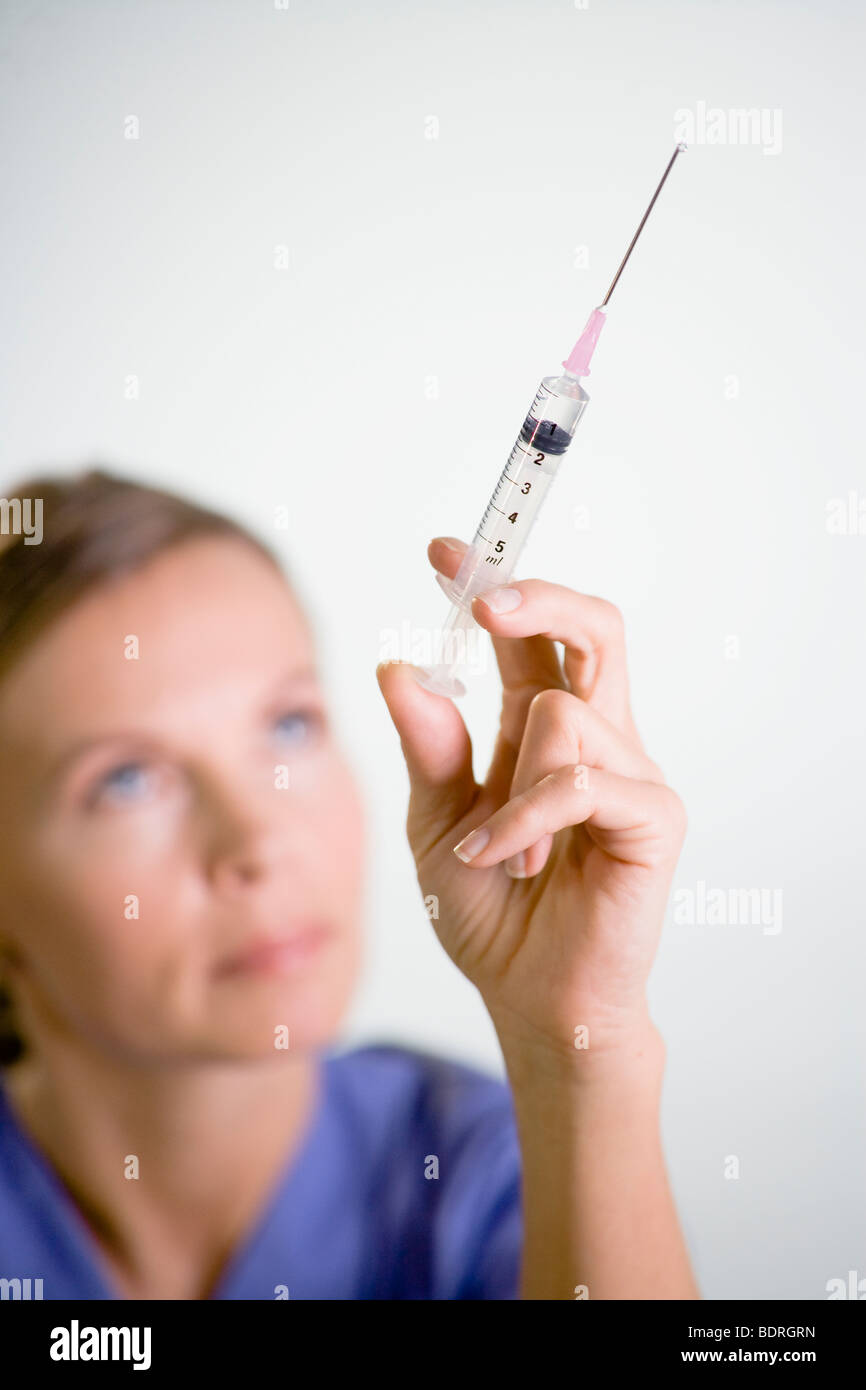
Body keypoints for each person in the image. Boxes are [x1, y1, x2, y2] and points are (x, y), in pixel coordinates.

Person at [0, 468, 699, 1300]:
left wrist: (577, 1054)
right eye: (125, 781)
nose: (261, 839)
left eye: (288, 725)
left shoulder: (490, 1175)